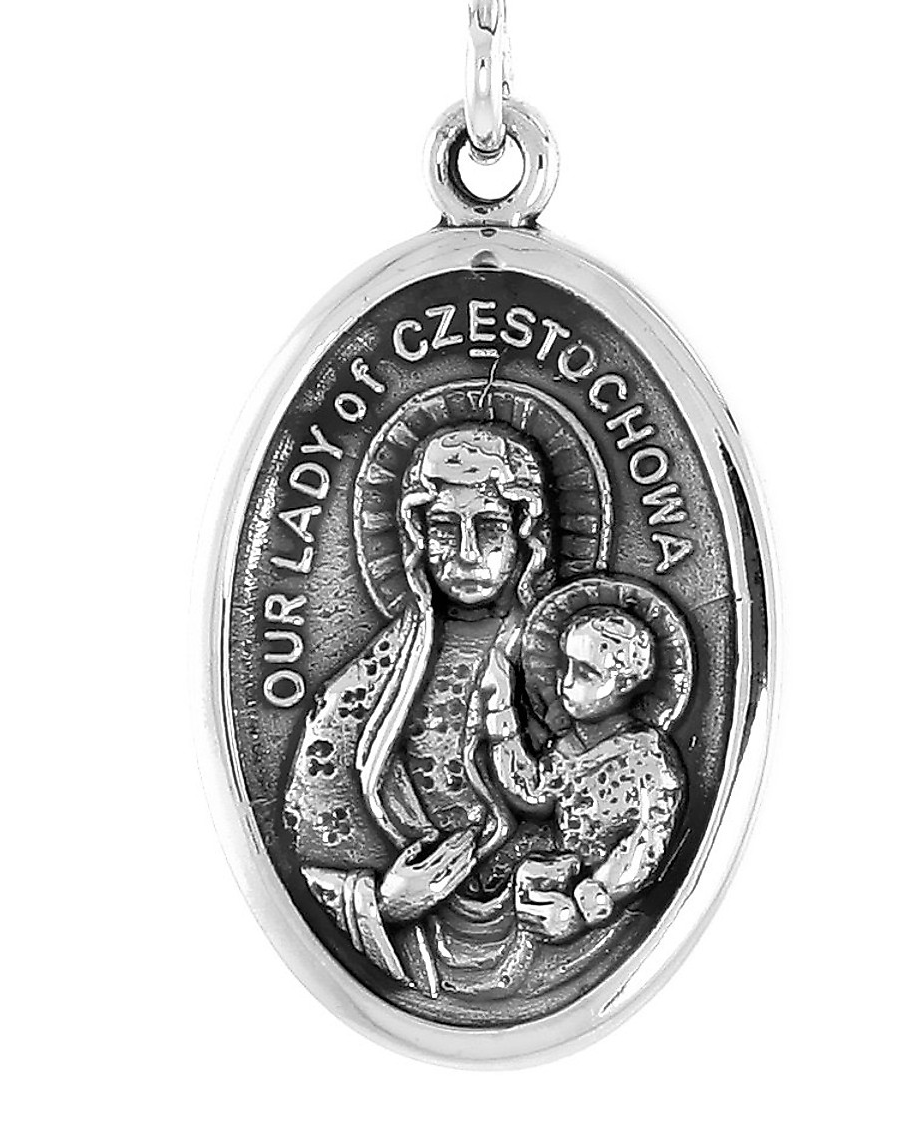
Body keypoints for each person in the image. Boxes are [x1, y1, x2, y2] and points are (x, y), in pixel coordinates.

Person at [281, 423, 555, 995]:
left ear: (527, 535)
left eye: (491, 527)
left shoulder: (572, 663)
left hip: (554, 936)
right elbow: (300, 864)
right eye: (443, 528)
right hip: (407, 956)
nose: (467, 554)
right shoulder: (367, 689)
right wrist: (383, 902)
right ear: (415, 538)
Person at [485, 604, 687, 941]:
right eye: (565, 666)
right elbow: (532, 792)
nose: (566, 682)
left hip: (598, 897)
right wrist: (501, 713)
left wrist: (599, 892)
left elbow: (649, 835)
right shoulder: (566, 747)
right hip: (554, 875)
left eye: (586, 673)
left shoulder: (647, 757)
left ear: (626, 683)